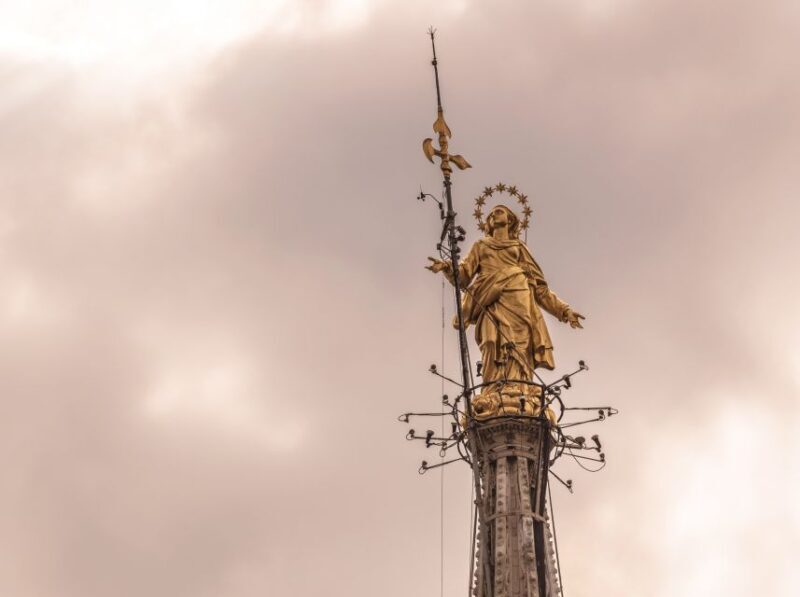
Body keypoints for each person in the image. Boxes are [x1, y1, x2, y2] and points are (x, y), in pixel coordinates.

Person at [427, 205, 584, 398]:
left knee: (519, 347)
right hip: (489, 300)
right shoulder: (481, 246)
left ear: (510, 220)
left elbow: (540, 289)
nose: (493, 214)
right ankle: (493, 390)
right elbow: (464, 276)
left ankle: (521, 390)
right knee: (491, 341)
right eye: (491, 213)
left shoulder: (519, 248)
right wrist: (446, 266)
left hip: (520, 301)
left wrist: (564, 311)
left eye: (499, 211)